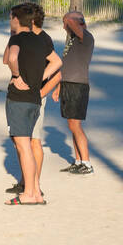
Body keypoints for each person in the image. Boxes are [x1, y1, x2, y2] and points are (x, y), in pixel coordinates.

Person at [4, 2, 59, 206]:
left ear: (17, 20)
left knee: (24, 145)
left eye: (11, 18)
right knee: (28, 144)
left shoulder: (18, 39)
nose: (10, 21)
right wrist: (36, 81)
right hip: (35, 100)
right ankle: (35, 192)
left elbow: (11, 57)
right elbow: (57, 62)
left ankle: (28, 194)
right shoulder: (41, 41)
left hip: (19, 98)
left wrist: (18, 75)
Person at [50, 10, 94, 175]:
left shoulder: (86, 37)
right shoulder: (73, 40)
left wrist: (70, 19)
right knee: (71, 125)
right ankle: (78, 161)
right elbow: (67, 66)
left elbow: (71, 18)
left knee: (75, 125)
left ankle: (87, 164)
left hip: (78, 85)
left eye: (65, 23)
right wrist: (58, 87)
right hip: (68, 84)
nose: (63, 26)